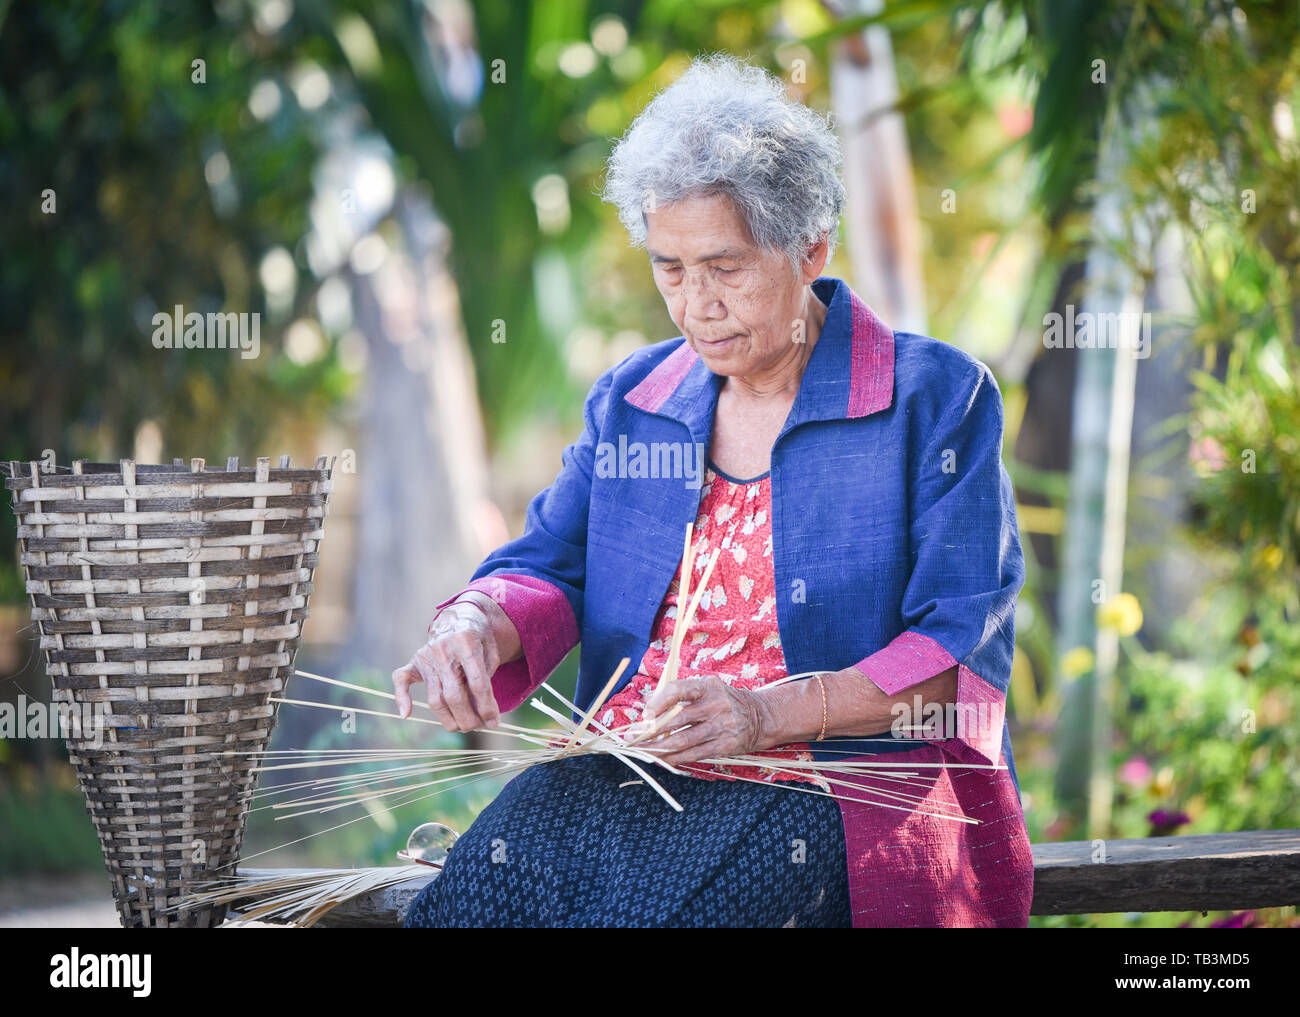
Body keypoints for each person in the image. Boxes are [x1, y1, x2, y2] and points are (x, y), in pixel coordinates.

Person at [396, 53, 1033, 928]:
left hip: (824, 782)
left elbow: (959, 659)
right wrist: (471, 624)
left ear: (810, 248)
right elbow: (551, 563)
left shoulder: (933, 400)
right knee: (467, 905)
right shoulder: (638, 401)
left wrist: (766, 714)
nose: (696, 304)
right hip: (623, 764)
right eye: (670, 268)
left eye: (724, 268)